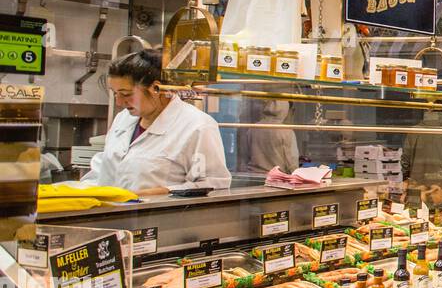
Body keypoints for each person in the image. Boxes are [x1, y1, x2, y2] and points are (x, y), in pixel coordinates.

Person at [82, 49, 231, 196]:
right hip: (111, 214)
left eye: (126, 94)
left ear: (156, 88)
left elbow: (214, 185)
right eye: (115, 94)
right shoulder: (123, 118)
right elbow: (102, 172)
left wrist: (159, 193)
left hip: (158, 216)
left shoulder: (197, 126)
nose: (119, 102)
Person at [243, 99, 300, 175]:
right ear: (285, 110)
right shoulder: (287, 132)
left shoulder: (252, 129)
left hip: (253, 176)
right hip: (276, 179)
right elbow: (291, 161)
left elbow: (246, 156)